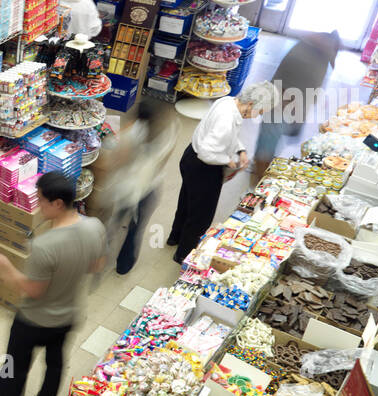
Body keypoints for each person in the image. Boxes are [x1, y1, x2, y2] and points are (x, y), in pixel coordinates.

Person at [0, 171, 107, 396]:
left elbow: (34, 291)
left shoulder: (46, 245)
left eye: (41, 200)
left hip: (34, 320)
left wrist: (4, 267)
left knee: (11, 366)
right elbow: (96, 265)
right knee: (55, 365)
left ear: (57, 204)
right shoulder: (94, 227)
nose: (38, 205)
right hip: (69, 316)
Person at [168, 82, 275, 264]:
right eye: (261, 111)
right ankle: (183, 255)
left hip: (189, 158)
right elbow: (207, 154)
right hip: (204, 168)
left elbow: (229, 136)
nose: (260, 116)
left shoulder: (228, 102)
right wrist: (228, 161)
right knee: (201, 216)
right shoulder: (227, 119)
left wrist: (240, 150)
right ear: (251, 105)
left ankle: (174, 237)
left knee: (186, 202)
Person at [96, 99, 178, 275]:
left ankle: (101, 257)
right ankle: (124, 266)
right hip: (149, 189)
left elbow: (117, 162)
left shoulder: (133, 135)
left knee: (114, 222)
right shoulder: (168, 131)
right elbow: (163, 162)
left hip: (127, 190)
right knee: (136, 229)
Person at [253, 30, 341, 178]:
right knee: (268, 142)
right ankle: (258, 179)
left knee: (270, 139)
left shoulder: (311, 51)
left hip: (287, 102)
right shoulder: (313, 57)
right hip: (284, 102)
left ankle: (262, 168)